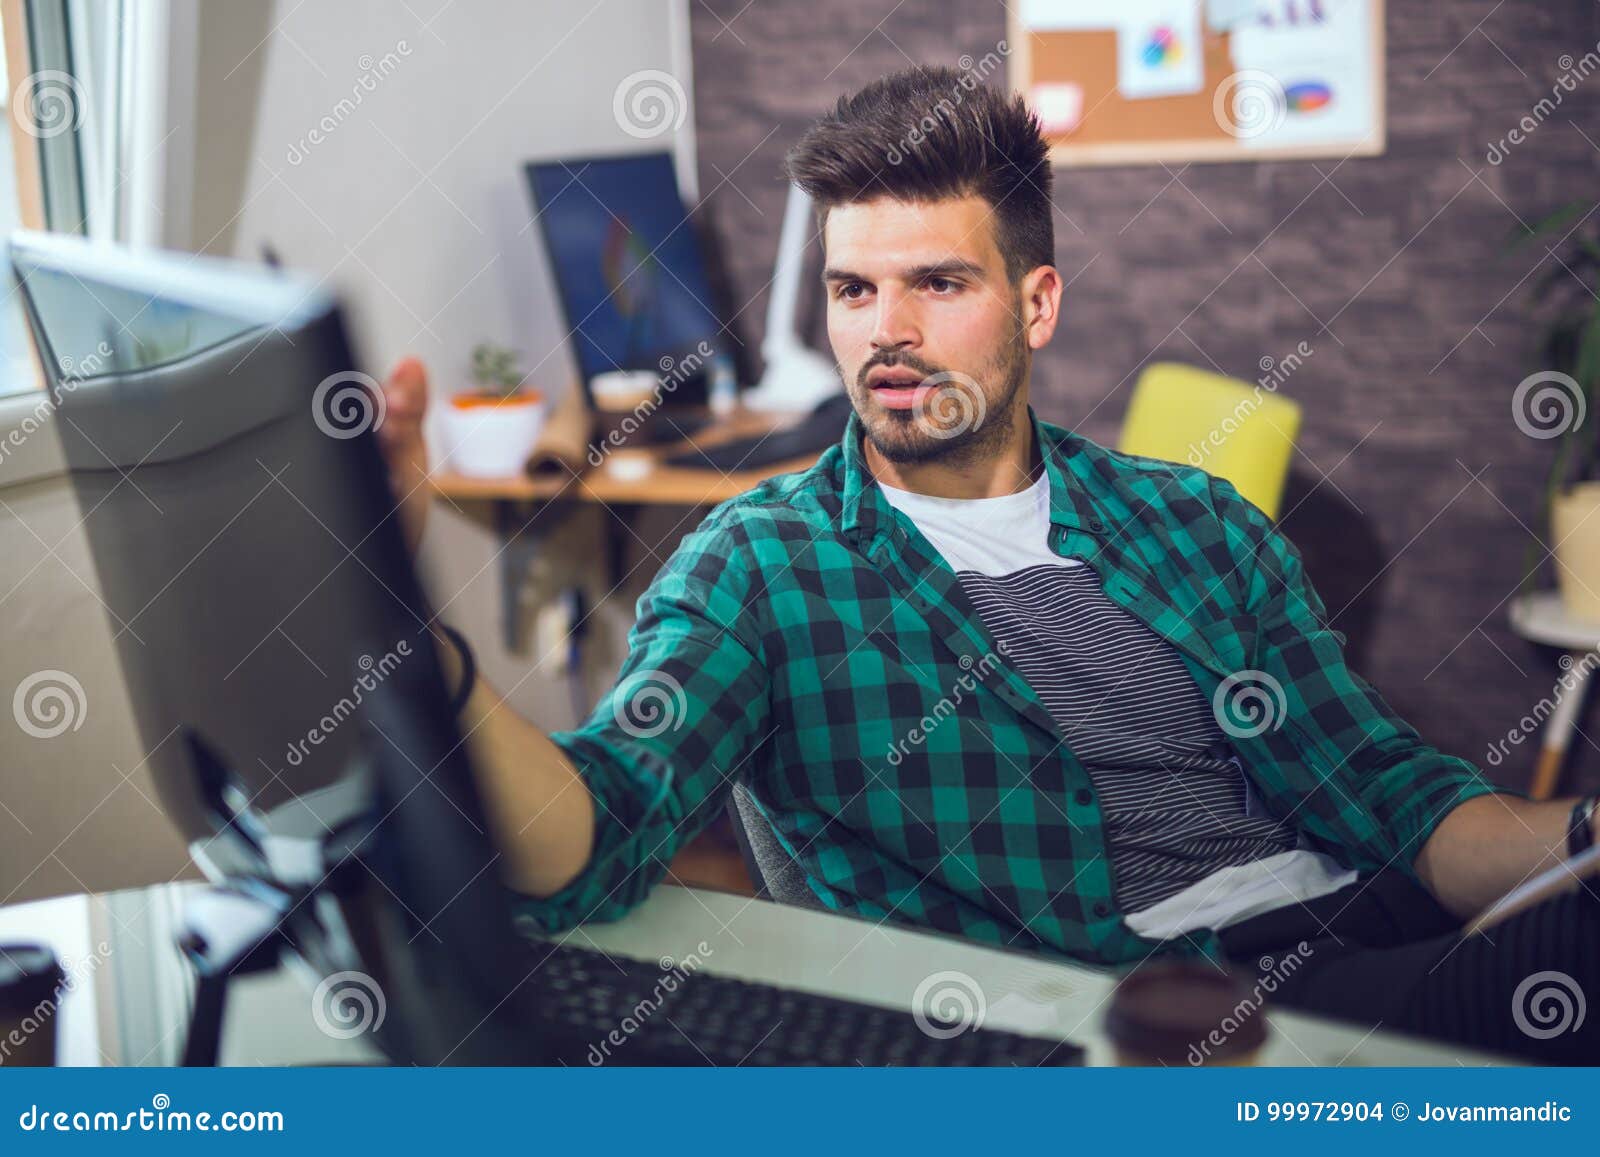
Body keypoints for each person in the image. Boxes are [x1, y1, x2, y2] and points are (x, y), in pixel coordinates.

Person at [380, 67, 1598, 1062]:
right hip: (1174, 1015)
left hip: (1368, 921)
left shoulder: (1196, 522)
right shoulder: (760, 567)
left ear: (1037, 302)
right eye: (852, 288)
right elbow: (586, 838)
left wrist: (1579, 834)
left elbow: (1398, 795)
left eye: (937, 283)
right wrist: (399, 618)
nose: (884, 330)